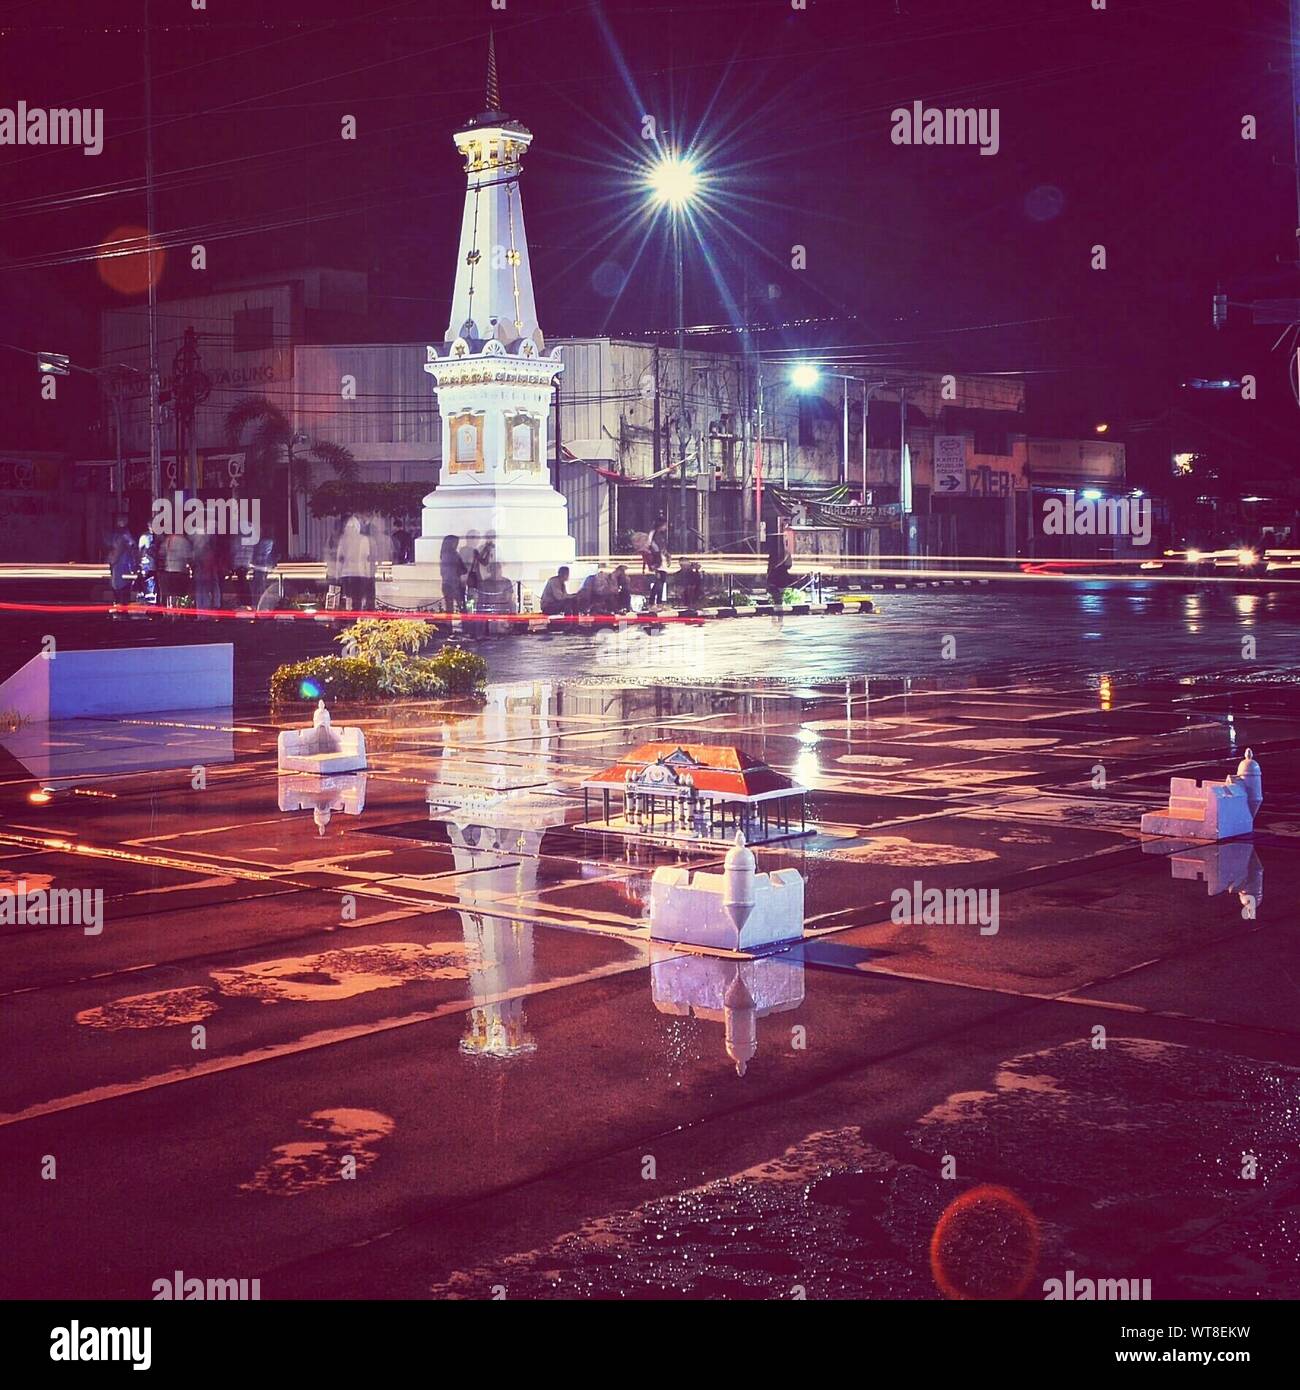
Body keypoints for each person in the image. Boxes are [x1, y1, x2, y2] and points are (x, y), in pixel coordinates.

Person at [336, 515, 373, 611]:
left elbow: (339, 559)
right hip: (359, 574)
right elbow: (366, 559)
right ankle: (356, 619)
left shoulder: (343, 540)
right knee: (357, 599)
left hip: (347, 574)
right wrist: (368, 575)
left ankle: (350, 617)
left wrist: (337, 574)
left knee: (349, 598)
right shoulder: (363, 539)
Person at [106, 521, 136, 611]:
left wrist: (110, 559)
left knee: (120, 599)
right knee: (124, 599)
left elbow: (115, 557)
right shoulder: (128, 540)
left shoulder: (121, 540)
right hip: (125, 573)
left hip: (120, 574)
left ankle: (121, 616)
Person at [159, 528, 192, 609]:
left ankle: (170, 610)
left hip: (169, 569)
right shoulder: (184, 541)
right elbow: (189, 557)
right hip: (181, 570)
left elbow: (161, 553)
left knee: (170, 593)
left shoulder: (168, 540)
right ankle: (178, 611)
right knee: (179, 593)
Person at [439, 533, 466, 613]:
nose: (456, 545)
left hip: (446, 583)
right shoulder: (453, 555)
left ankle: (449, 624)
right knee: (461, 606)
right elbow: (462, 568)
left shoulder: (444, 555)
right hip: (454, 583)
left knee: (449, 607)